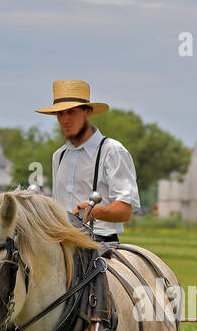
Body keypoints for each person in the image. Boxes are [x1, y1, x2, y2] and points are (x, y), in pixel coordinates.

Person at [36, 79, 138, 243]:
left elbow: (125, 210)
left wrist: (95, 212)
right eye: (60, 113)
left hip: (101, 245)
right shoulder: (59, 155)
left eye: (71, 112)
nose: (65, 120)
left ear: (88, 111)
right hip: (63, 245)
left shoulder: (112, 150)